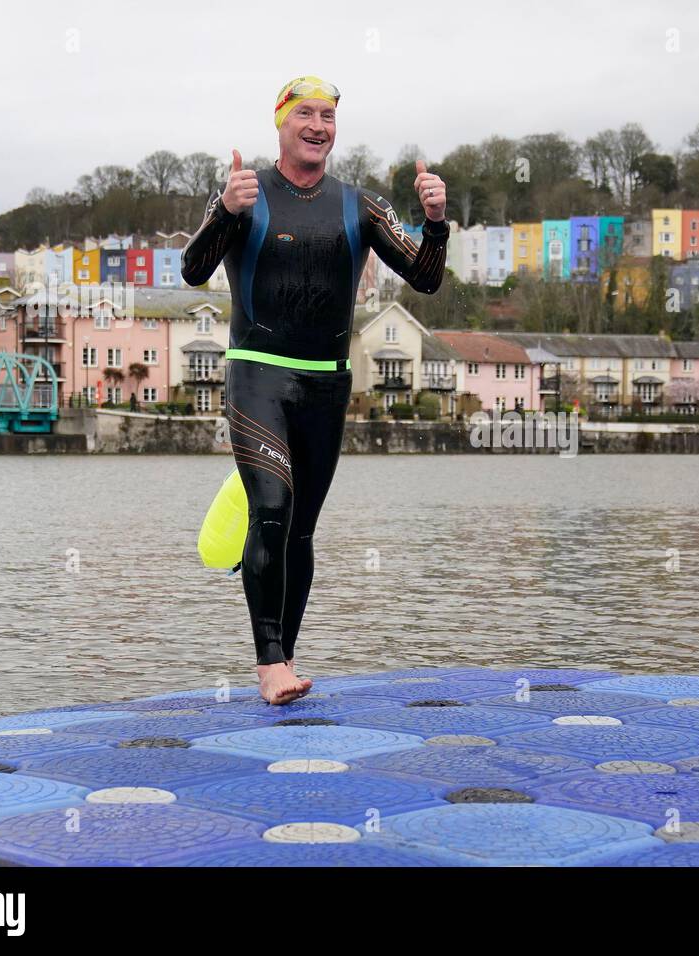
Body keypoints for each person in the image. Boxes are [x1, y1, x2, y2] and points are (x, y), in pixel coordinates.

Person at [181, 76, 449, 704]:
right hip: (256, 373)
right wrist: (224, 211)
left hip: (327, 383)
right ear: (280, 122)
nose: (318, 125)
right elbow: (193, 271)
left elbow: (427, 279)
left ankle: (287, 658)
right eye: (305, 113)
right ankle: (268, 663)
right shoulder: (247, 193)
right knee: (271, 507)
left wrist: (435, 222)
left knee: (299, 528)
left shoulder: (360, 205)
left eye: (328, 116)